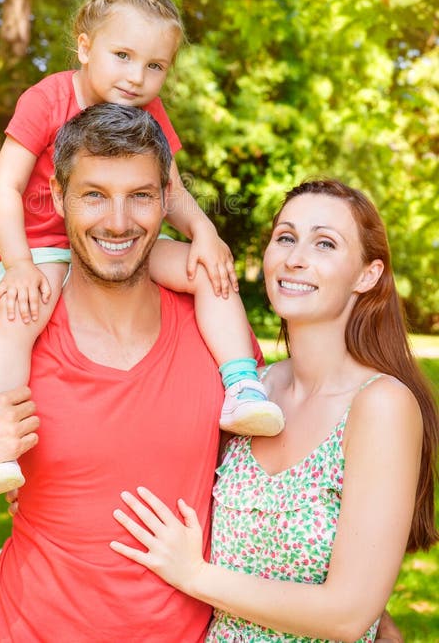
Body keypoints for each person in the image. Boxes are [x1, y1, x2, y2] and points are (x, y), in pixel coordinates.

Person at [0, 104, 266, 642]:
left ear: (166, 199)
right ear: (58, 197)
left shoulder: (219, 339)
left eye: (140, 195)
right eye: (94, 194)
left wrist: (368, 623)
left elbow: (281, 511)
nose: (118, 222)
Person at [0, 0, 282, 499]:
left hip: (124, 243)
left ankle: (242, 385)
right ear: (85, 46)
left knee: (205, 269)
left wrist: (204, 232)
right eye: (123, 56)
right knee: (15, 316)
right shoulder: (46, 99)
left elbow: (171, 190)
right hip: (45, 247)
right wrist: (19, 264)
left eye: (155, 66)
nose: (137, 77)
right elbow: (4, 186)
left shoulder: (149, 113)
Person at [110, 178, 439, 642]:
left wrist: (196, 575)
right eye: (285, 237)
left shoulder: (381, 405)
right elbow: (133, 252)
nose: (295, 258)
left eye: (325, 243)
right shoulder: (249, 392)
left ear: (367, 275)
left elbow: (347, 615)